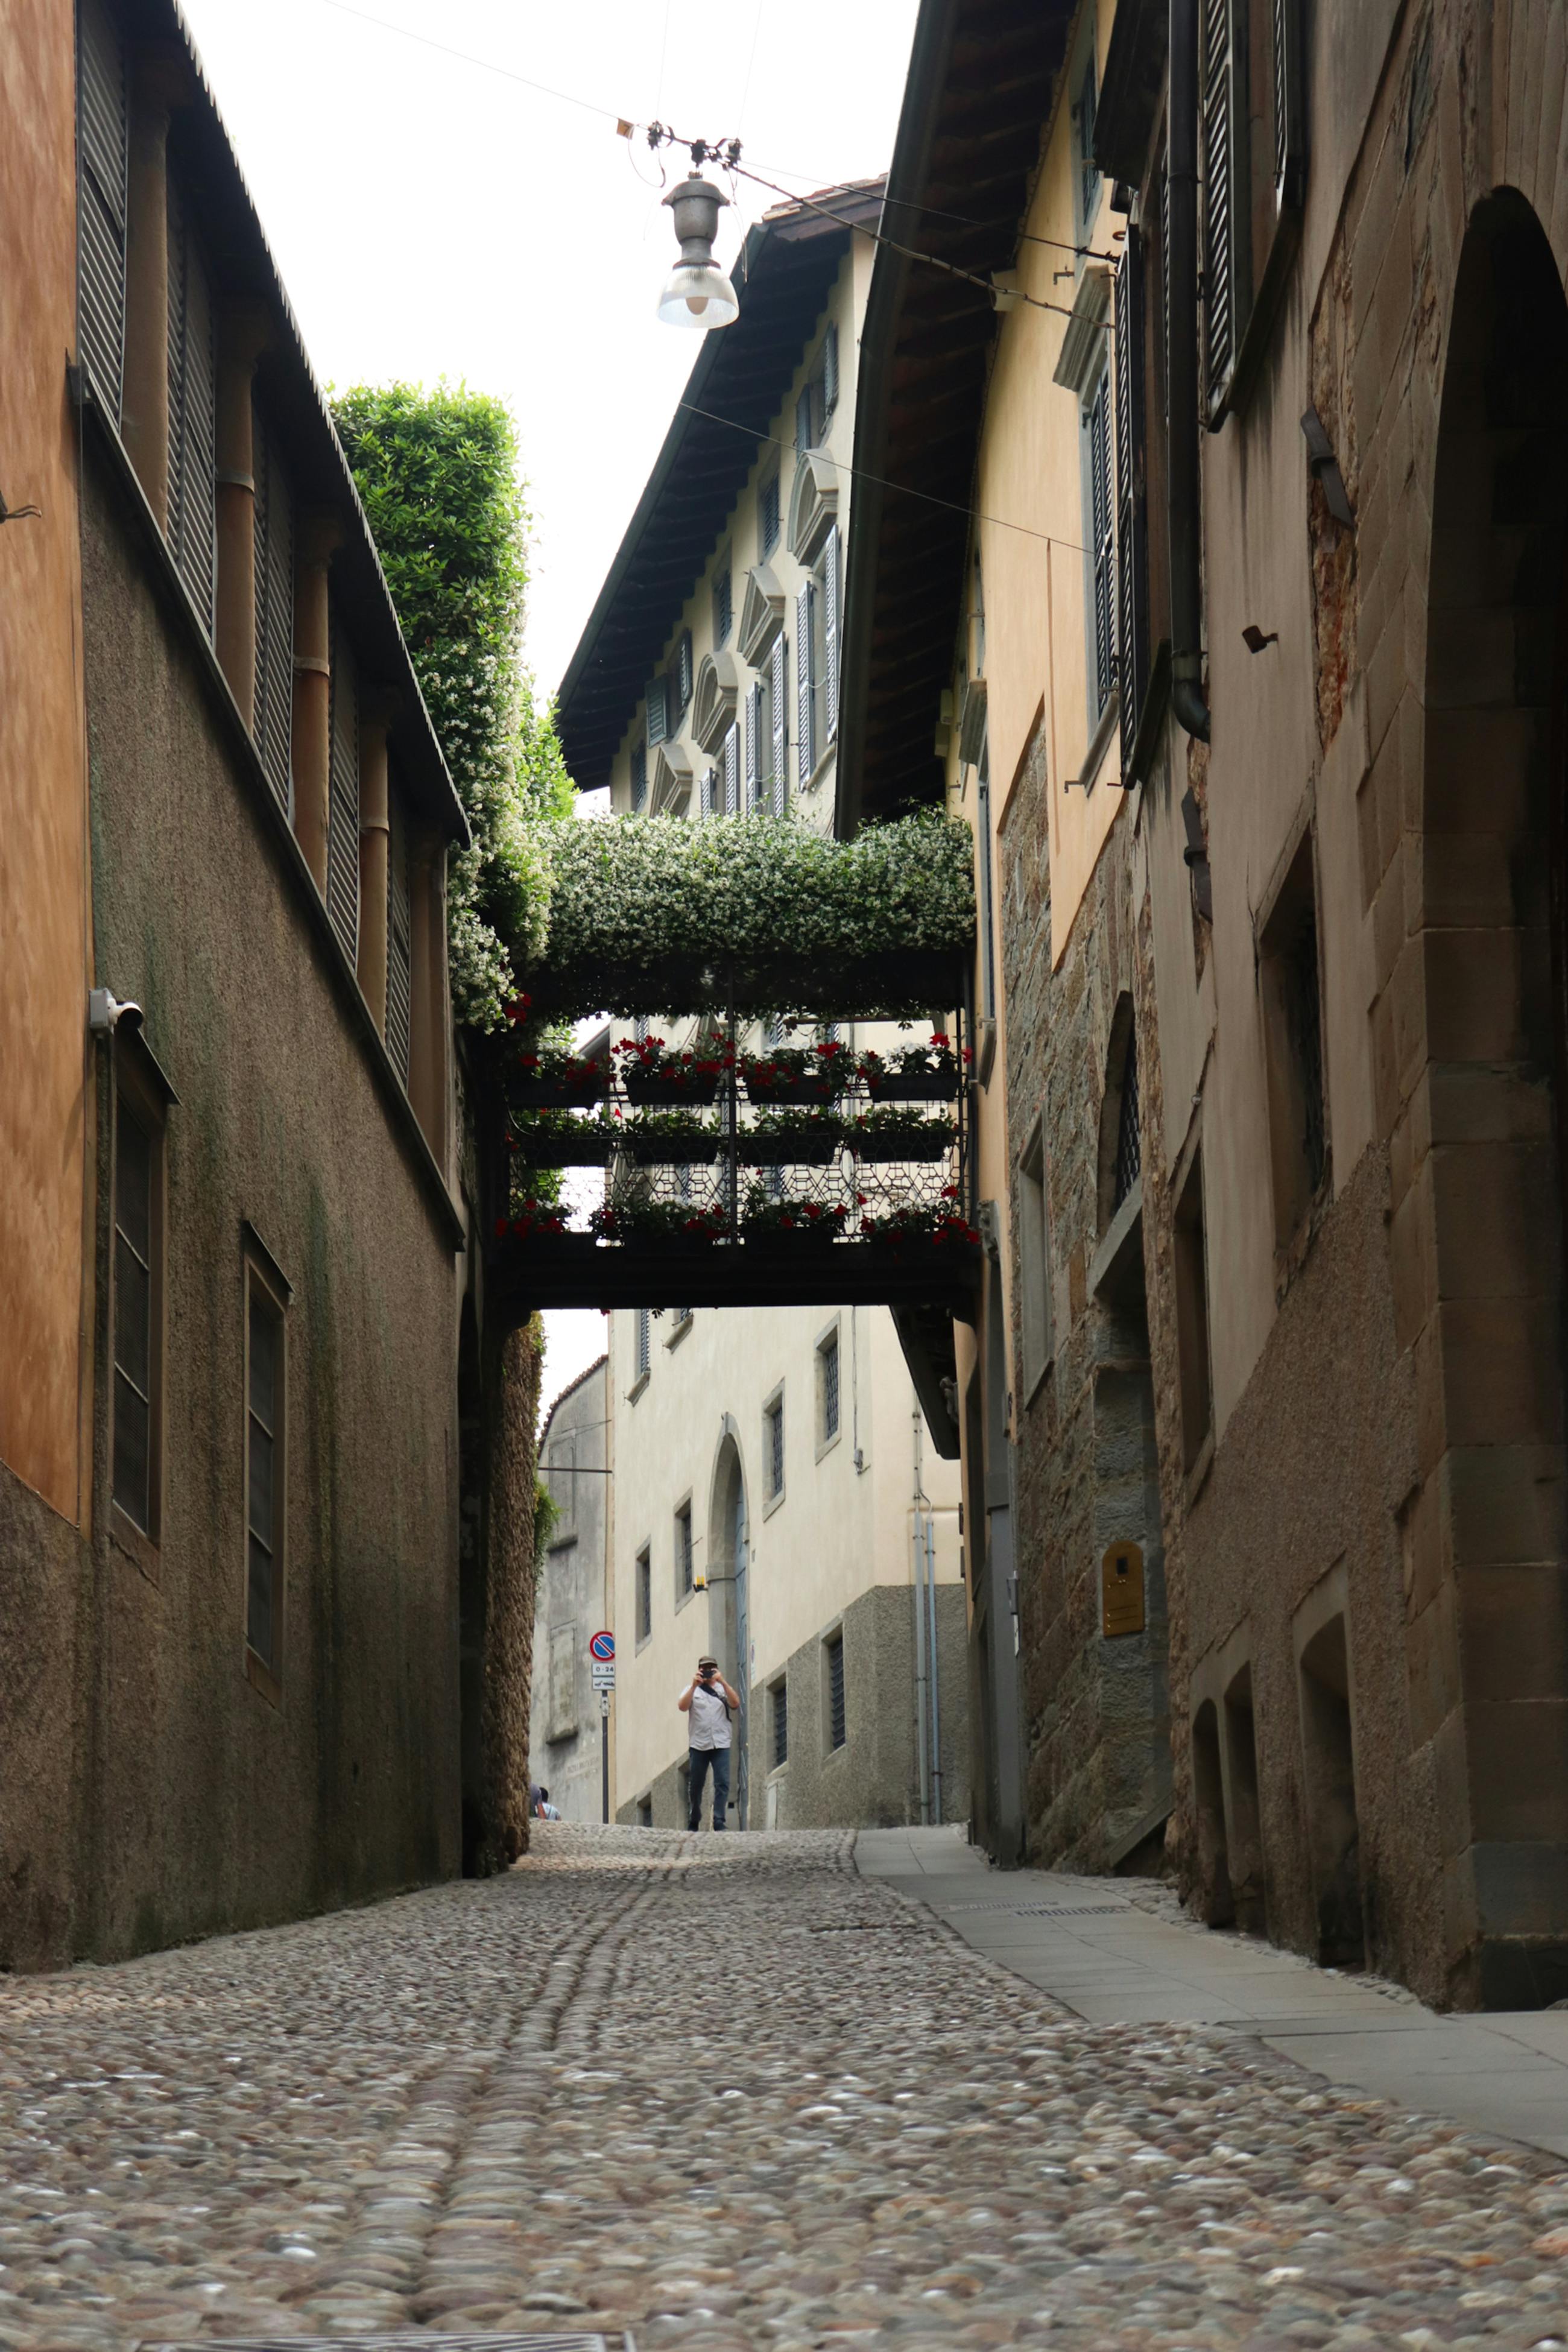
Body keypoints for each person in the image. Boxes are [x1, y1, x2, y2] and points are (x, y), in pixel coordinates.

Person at [680, 1654, 740, 1831]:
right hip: (699, 1744)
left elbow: (736, 1704)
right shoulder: (692, 1690)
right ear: (699, 1670)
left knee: (722, 1782)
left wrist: (723, 1682)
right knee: (696, 1785)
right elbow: (682, 1706)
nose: (707, 1672)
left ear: (716, 1669)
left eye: (711, 1669)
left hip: (721, 1743)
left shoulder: (723, 1689)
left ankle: (719, 1820)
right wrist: (693, 1685)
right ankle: (695, 1817)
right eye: (704, 1669)